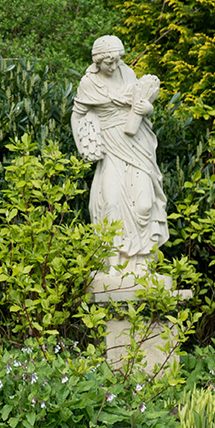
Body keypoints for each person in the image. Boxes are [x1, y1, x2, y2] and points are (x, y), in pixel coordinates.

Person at [71, 34, 168, 275]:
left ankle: (143, 265)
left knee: (144, 204)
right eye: (108, 63)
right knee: (112, 203)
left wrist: (148, 108)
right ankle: (112, 266)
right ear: (97, 62)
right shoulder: (88, 84)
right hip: (111, 148)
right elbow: (77, 114)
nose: (113, 66)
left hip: (138, 144)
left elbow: (141, 104)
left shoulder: (128, 74)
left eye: (116, 61)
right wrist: (85, 146)